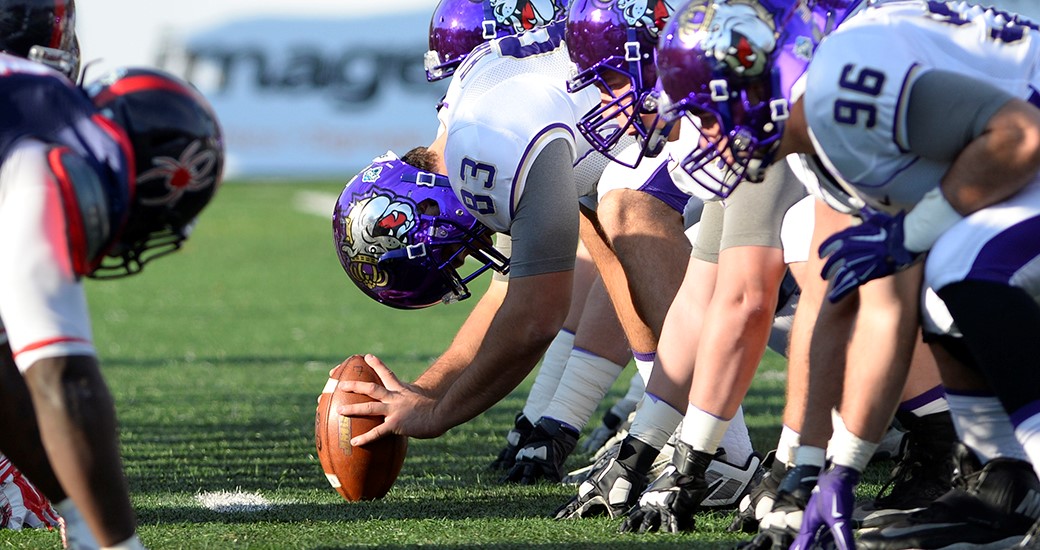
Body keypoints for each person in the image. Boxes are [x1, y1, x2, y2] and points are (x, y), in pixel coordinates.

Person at [650, 0, 1040, 548]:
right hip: (1018, 164)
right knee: (923, 281)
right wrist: (820, 472)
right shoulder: (816, 139)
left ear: (752, 83)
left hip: (1026, 143)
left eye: (709, 115)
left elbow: (1020, 135)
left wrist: (912, 232)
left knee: (958, 264)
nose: (708, 139)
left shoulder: (841, 86)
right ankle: (1000, 487)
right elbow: (861, 305)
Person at [0, 50, 224, 550]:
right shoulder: (47, 160)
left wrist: (77, 510)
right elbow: (63, 377)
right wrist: (117, 543)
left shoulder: (35, 103)